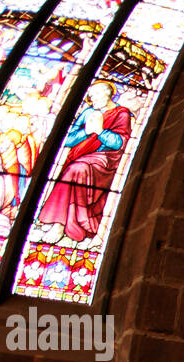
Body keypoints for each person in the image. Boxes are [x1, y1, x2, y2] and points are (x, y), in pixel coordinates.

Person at [35, 81, 131, 245]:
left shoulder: (121, 114)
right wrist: (86, 131)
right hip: (81, 156)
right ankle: (59, 222)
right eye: (90, 96)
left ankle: (61, 224)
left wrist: (100, 131)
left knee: (77, 169)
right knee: (76, 168)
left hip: (106, 160)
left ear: (107, 95)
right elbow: (69, 139)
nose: (91, 99)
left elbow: (120, 143)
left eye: (94, 95)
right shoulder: (87, 113)